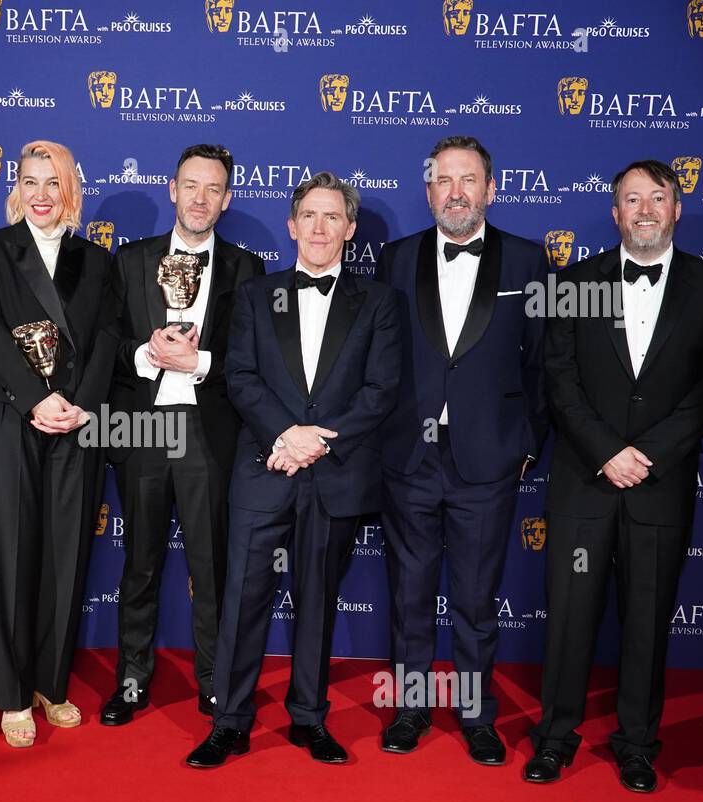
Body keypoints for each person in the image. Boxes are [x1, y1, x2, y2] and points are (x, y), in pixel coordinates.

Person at [529, 159, 703, 792]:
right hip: (584, 480)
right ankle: (554, 738)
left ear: (677, 209)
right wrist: (606, 451)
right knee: (569, 616)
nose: (645, 209)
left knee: (648, 618)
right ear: (614, 212)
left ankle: (638, 745)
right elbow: (558, 381)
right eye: (631, 199)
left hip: (660, 481)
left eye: (657, 198)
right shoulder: (572, 281)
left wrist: (645, 454)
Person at [185, 173, 402, 768]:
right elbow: (240, 377)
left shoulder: (378, 301)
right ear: (291, 224)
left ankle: (309, 718)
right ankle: (228, 720)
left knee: (317, 602)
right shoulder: (255, 296)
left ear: (351, 229)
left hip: (334, 477)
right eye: (308, 215)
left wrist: (316, 444)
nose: (319, 227)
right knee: (242, 602)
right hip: (264, 470)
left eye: (332, 217)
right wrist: (286, 435)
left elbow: (381, 390)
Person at [374, 136, 548, 764]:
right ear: (428, 192)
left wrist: (527, 442)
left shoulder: (529, 262)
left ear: (490, 188)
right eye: (443, 180)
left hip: (488, 459)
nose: (455, 192)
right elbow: (379, 358)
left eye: (467, 180)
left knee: (477, 597)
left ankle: (477, 716)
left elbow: (545, 363)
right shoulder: (395, 259)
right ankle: (411, 709)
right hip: (409, 459)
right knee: (410, 593)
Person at [100, 144, 265, 725]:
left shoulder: (247, 269)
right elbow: (107, 346)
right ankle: (132, 678)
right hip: (143, 429)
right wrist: (147, 353)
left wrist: (197, 363)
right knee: (139, 564)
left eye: (213, 189)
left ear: (226, 199)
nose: (200, 198)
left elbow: (251, 359)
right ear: (172, 189)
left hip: (208, 435)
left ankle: (216, 680)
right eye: (190, 185)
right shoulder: (129, 260)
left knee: (211, 565)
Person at [0, 140, 115, 748]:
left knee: (65, 555)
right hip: (9, 419)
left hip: (78, 422)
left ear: (71, 189)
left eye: (53, 183)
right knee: (11, 558)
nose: (41, 195)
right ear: (16, 189)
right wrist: (35, 399)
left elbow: (107, 337)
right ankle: (10, 692)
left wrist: (80, 404)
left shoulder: (96, 259)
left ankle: (51, 684)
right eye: (30, 182)